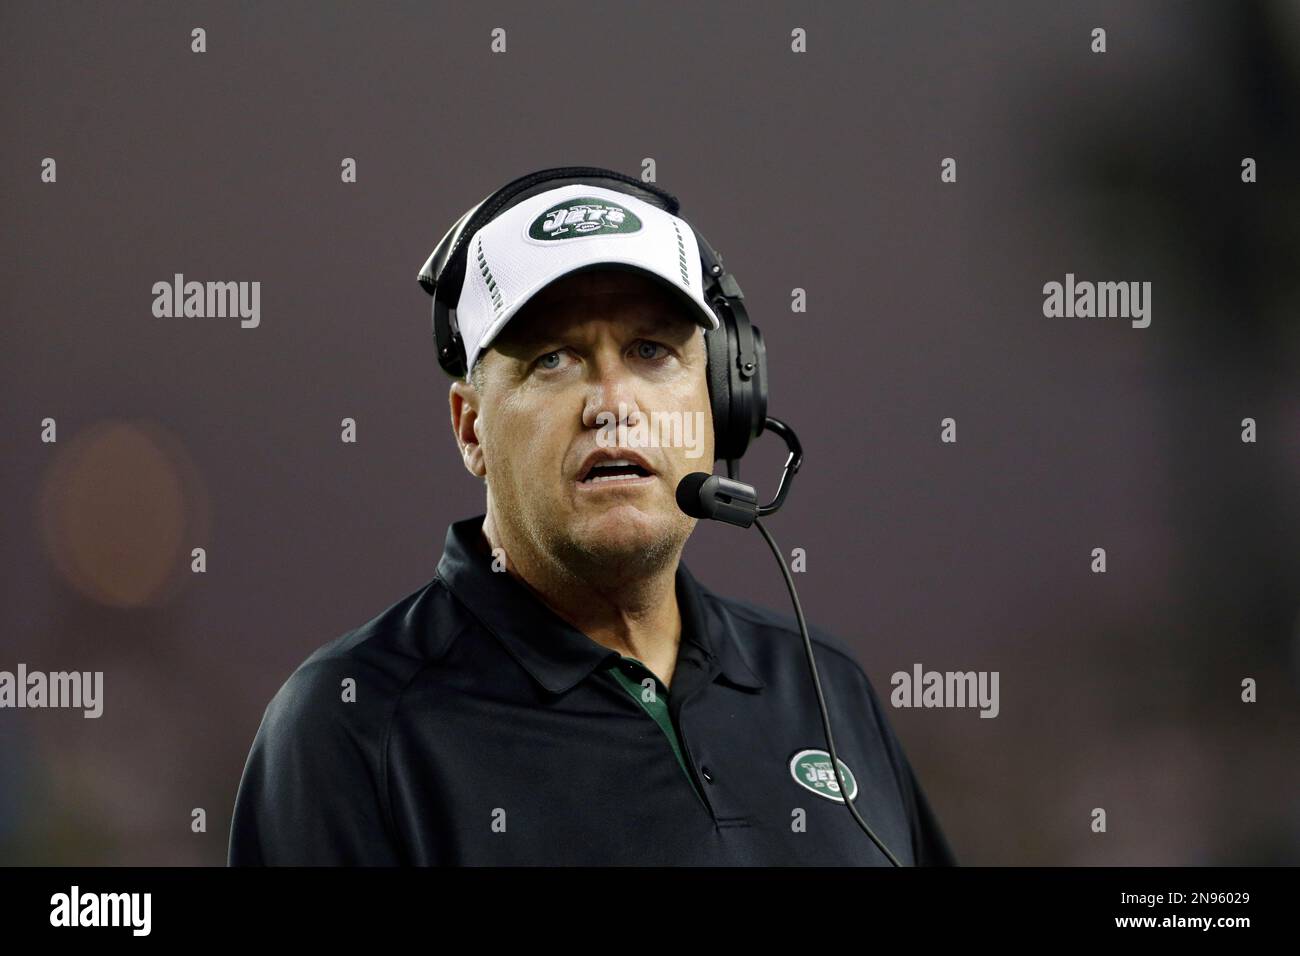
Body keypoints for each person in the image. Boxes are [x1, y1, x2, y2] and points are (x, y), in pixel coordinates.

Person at [228, 176, 957, 866]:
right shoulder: (350, 726)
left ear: (723, 404)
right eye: (553, 358)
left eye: (651, 351)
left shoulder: (824, 685)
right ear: (471, 429)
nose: (612, 402)